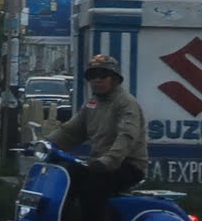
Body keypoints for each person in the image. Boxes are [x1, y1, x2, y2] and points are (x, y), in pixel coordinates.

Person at [48, 54, 148, 221]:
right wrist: (44, 144)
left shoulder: (125, 103)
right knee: (66, 176)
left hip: (127, 164)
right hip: (98, 164)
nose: (97, 80)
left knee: (92, 189)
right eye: (93, 76)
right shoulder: (92, 104)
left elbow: (127, 135)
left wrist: (109, 160)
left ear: (115, 79)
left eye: (103, 75)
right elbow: (71, 131)